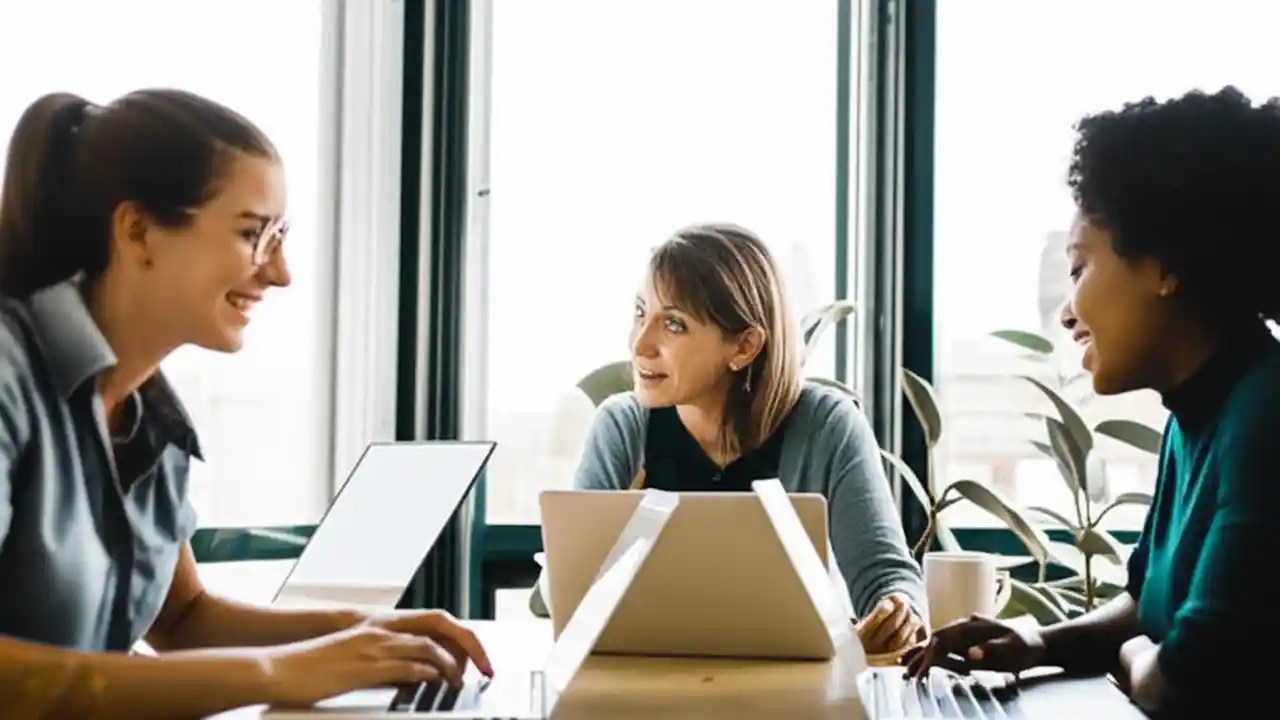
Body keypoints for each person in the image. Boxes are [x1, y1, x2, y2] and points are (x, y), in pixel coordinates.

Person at [0, 90, 491, 718]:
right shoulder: (10, 375)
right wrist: (278, 672)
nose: (280, 272)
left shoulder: (148, 416)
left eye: (279, 236)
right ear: (139, 231)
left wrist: (365, 633)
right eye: (253, 234)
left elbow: (181, 618)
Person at [901, 86, 1280, 714]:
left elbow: (1184, 683)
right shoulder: (1198, 412)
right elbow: (1145, 606)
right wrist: (1036, 642)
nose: (1068, 313)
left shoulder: (1265, 415)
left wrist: (1137, 653)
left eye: (1080, 268)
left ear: (1166, 265)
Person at [572, 223, 926, 655]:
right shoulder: (621, 427)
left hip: (796, 687)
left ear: (744, 347)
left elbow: (885, 576)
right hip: (647, 680)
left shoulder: (827, 426)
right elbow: (572, 591)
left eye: (674, 324)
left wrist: (898, 612)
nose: (640, 344)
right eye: (641, 313)